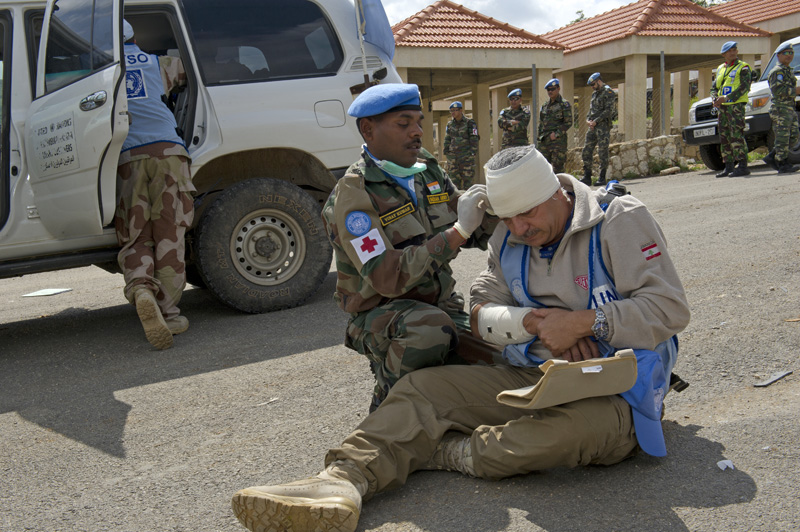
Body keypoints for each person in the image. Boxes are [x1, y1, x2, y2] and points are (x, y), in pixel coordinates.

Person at [230, 145, 690, 532]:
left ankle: (449, 451)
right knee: (423, 390)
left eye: (528, 215)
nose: (519, 230)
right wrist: (535, 326)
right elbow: (482, 307)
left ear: (556, 193)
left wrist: (588, 323)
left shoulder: (617, 220)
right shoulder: (510, 237)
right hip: (537, 370)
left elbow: (669, 309)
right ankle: (342, 480)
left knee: (564, 435)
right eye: (508, 219)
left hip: (617, 389)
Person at [319, 84, 499, 412]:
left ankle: (437, 398)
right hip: (383, 315)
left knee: (506, 356)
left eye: (418, 122)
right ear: (368, 129)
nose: (417, 132)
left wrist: (520, 210)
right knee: (429, 332)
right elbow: (386, 276)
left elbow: (472, 220)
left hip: (443, 308)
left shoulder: (425, 169)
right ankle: (385, 414)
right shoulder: (354, 195)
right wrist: (459, 232)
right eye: (404, 124)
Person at [114, 20, 195, 350]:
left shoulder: (104, 73)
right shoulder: (157, 63)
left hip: (127, 158)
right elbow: (189, 78)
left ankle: (141, 289)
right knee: (169, 235)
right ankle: (170, 314)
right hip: (168, 154)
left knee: (136, 235)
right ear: (135, 38)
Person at [710, 41, 753, 178]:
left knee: (736, 135)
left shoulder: (743, 67)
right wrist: (714, 98)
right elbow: (714, 87)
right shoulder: (720, 68)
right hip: (722, 107)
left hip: (736, 106)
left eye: (734, 49)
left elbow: (744, 87)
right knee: (724, 136)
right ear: (724, 54)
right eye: (729, 50)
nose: (733, 52)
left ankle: (742, 165)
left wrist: (727, 98)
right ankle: (728, 166)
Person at [763, 41, 800, 174]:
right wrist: (795, 91)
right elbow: (777, 90)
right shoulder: (777, 71)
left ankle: (773, 155)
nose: (789, 55)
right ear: (778, 55)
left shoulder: (788, 70)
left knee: (794, 135)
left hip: (789, 107)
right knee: (783, 136)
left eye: (791, 53)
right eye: (786, 53)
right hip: (780, 108)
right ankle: (782, 163)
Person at [581, 72, 616, 186]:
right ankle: (587, 176)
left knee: (602, 152)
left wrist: (596, 120)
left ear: (599, 81)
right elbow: (591, 110)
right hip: (592, 127)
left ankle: (602, 177)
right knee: (586, 150)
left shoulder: (608, 92)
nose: (592, 87)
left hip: (602, 127)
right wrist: (588, 120)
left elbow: (609, 110)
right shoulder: (594, 94)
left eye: (593, 84)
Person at [538, 78, 572, 173]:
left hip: (557, 142)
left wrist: (556, 134)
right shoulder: (545, 105)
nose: (550, 91)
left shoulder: (564, 104)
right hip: (544, 142)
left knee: (558, 168)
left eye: (552, 89)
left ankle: (560, 187)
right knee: (544, 168)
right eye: (548, 90)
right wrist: (539, 138)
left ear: (558, 88)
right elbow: (541, 122)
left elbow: (568, 122)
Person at [443, 101, 480, 189]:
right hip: (453, 159)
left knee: (468, 182)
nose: (453, 113)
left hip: (466, 157)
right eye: (451, 111)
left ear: (461, 110)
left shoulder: (470, 123)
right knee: (454, 183)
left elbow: (474, 138)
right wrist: (447, 152)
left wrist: (472, 153)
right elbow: (447, 138)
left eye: (455, 110)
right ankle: (456, 202)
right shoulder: (450, 124)